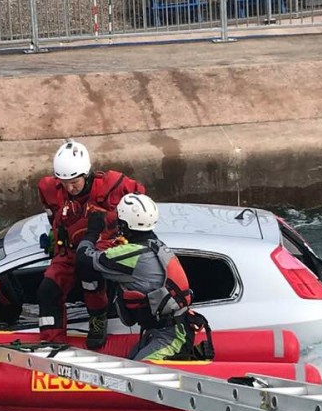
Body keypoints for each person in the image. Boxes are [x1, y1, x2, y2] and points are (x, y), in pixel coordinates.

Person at [76, 193, 212, 361]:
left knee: (137, 379)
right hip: (164, 330)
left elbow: (83, 258)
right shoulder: (155, 244)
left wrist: (92, 231)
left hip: (169, 337)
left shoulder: (131, 255)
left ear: (124, 224)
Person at [37, 139, 145, 349]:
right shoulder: (49, 189)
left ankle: (98, 320)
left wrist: (114, 222)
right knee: (47, 289)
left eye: (74, 182)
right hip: (68, 251)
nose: (70, 188)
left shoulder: (113, 185)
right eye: (64, 182)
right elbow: (53, 217)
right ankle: (51, 343)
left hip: (101, 249)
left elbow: (139, 201)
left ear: (86, 174)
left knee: (91, 277)